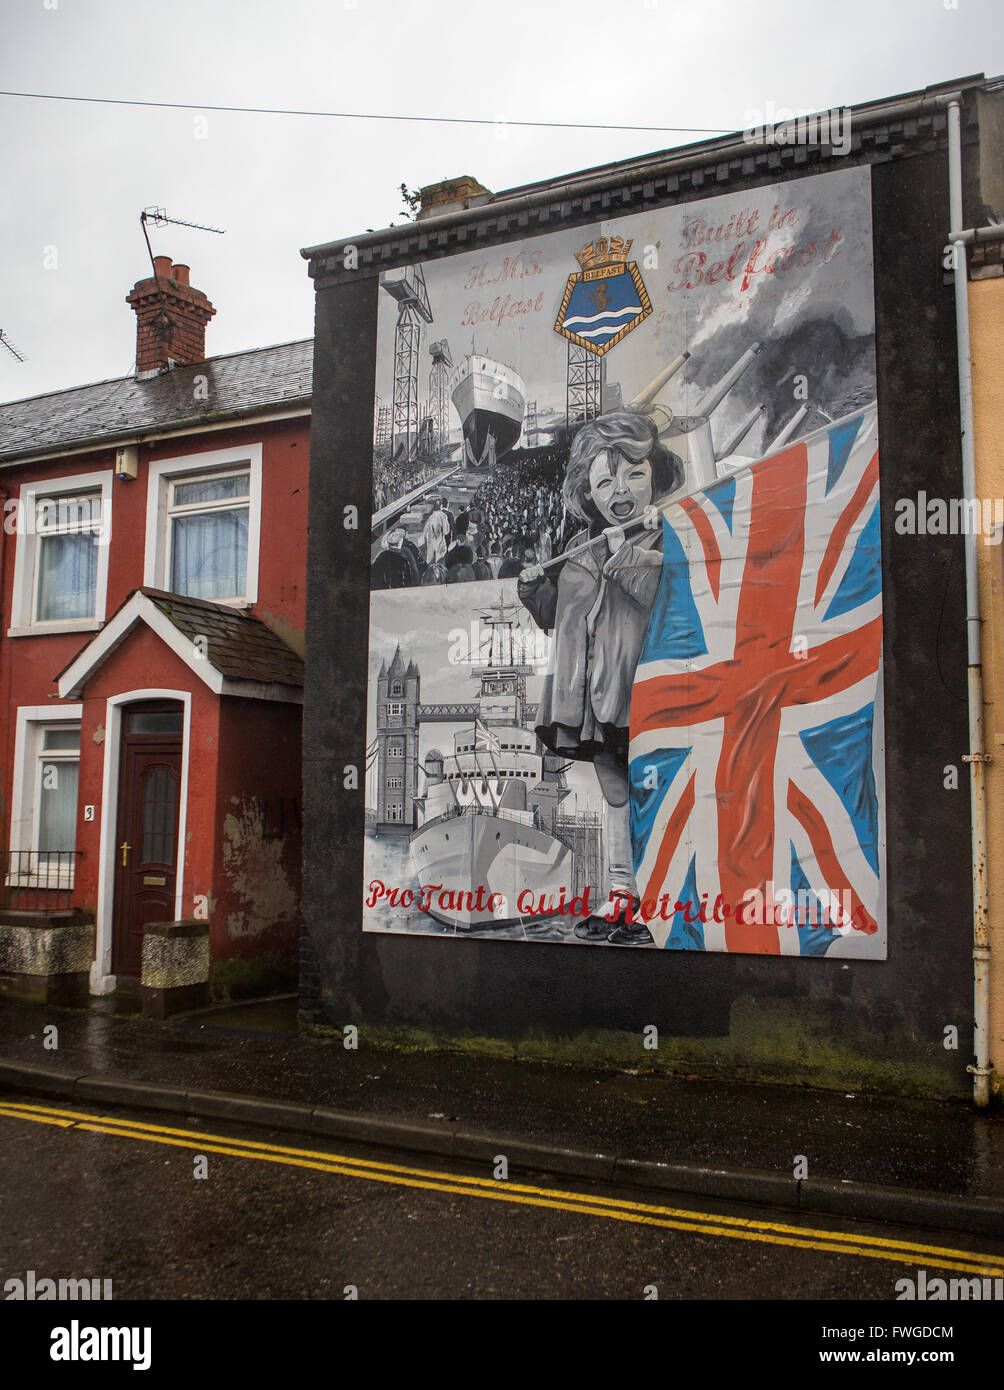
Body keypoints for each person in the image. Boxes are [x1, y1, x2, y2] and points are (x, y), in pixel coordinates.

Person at [518, 410, 683, 946]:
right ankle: (621, 897)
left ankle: (658, 899)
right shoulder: (584, 546)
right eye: (605, 479)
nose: (620, 489)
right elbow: (566, 621)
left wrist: (624, 554)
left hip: (649, 694)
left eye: (633, 474)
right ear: (587, 490)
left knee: (650, 791)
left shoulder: (666, 534)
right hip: (599, 698)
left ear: (654, 474)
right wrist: (535, 591)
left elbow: (664, 597)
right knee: (614, 790)